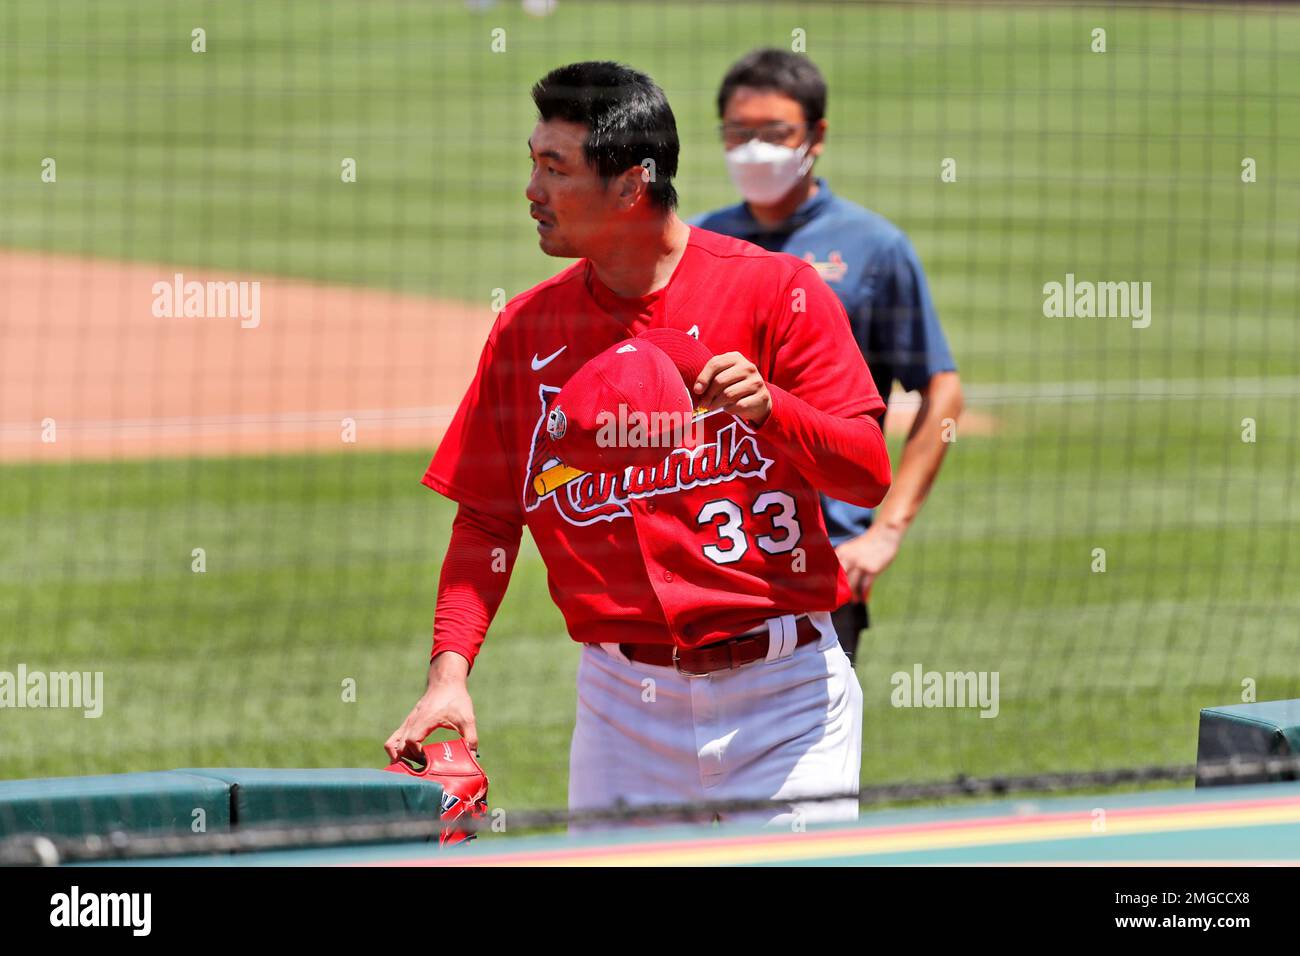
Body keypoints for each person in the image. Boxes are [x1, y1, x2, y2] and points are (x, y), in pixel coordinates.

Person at [386, 61, 891, 827]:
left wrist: (772, 410)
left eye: (555, 169)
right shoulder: (526, 333)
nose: (532, 190)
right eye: (532, 162)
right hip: (623, 710)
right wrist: (448, 674)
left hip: (787, 701)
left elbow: (865, 472)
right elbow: (488, 519)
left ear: (631, 185)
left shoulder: (775, 292)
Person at [691, 49, 963, 666]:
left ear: (816, 135)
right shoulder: (701, 240)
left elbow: (941, 390)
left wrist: (886, 529)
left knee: (809, 759)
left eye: (775, 133)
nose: (754, 149)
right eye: (739, 133)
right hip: (710, 551)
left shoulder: (873, 247)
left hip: (822, 559)